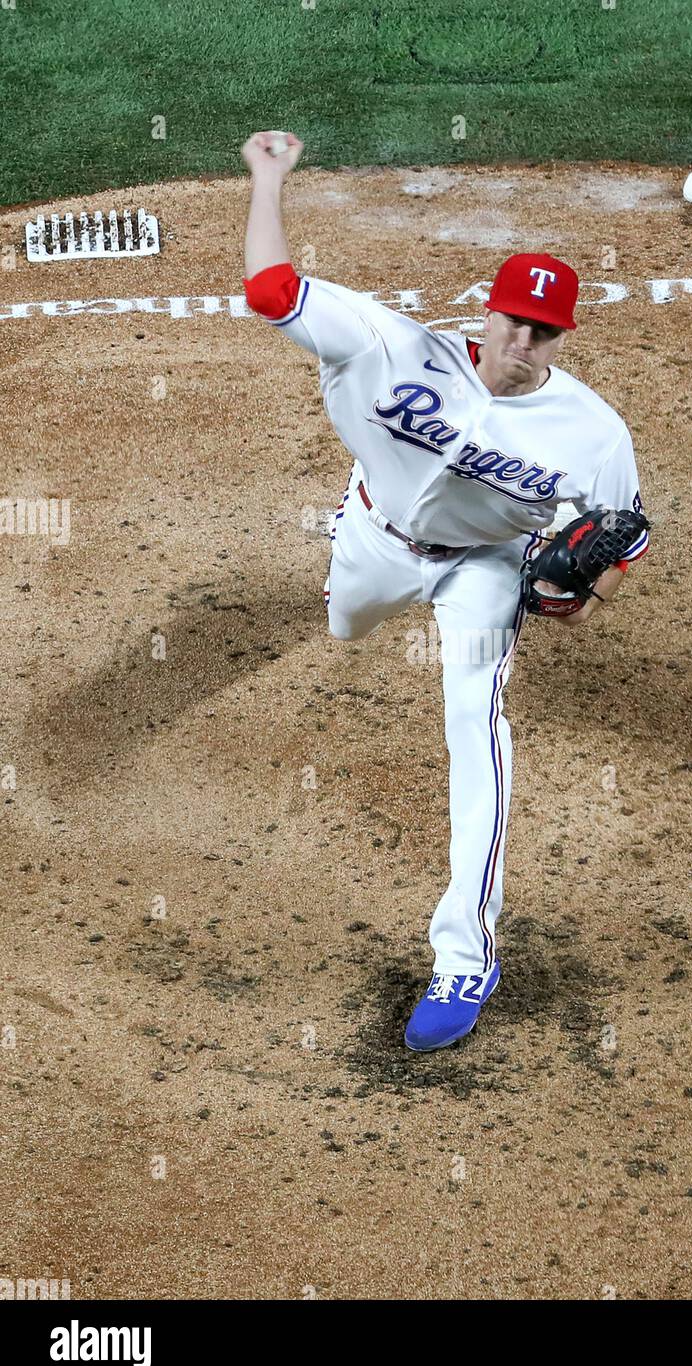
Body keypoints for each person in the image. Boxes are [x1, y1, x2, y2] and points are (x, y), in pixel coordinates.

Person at [240, 130, 650, 1052]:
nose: (524, 341)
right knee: (344, 625)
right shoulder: (390, 344)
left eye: (544, 332)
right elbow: (272, 291)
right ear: (488, 313)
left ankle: (464, 955)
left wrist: (589, 589)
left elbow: (626, 528)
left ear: (562, 337)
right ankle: (349, 566)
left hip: (484, 570)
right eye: (513, 321)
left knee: (476, 726)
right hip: (373, 536)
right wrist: (268, 178)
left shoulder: (590, 430)